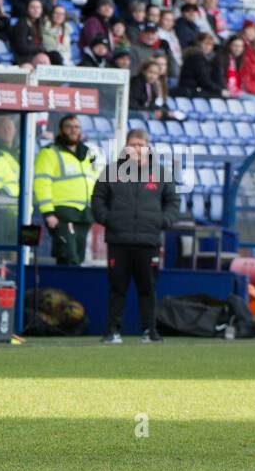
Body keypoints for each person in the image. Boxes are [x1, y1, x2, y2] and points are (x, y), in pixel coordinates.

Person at [92, 128, 180, 343]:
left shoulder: (161, 174)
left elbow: (173, 203)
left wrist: (163, 221)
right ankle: (113, 331)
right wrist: (109, 219)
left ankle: (149, 330)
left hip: (148, 241)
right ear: (125, 147)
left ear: (148, 148)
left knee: (148, 289)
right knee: (117, 289)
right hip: (118, 240)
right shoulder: (111, 172)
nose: (137, 149)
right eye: (133, 145)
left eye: (141, 145)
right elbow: (97, 200)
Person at [34, 114, 98, 265]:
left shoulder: (87, 154)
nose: (72, 130)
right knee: (69, 257)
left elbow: (93, 181)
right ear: (61, 130)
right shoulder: (49, 152)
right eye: (68, 127)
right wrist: (48, 213)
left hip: (84, 214)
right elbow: (41, 184)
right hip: (61, 214)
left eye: (76, 127)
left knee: (79, 257)